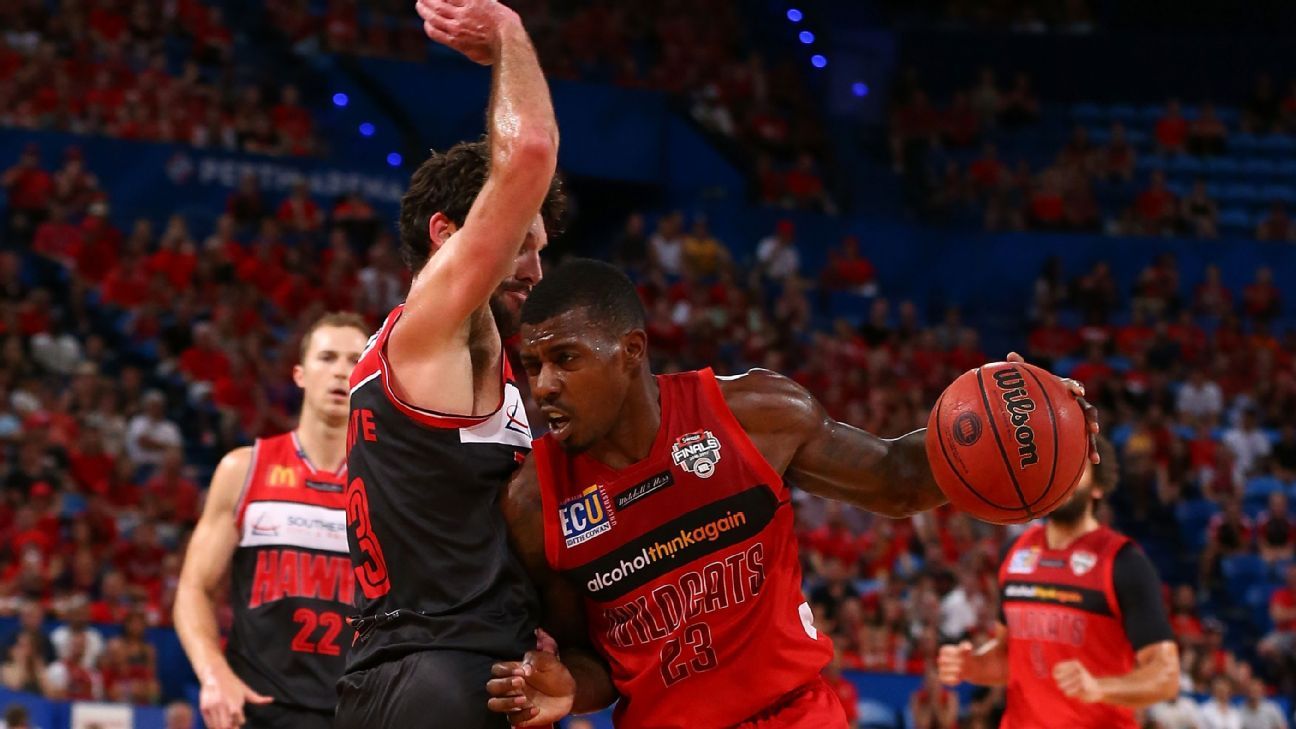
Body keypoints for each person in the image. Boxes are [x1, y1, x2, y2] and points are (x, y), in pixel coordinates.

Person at [484, 259, 1098, 727]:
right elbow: (592, 662)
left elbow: (897, 477)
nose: (544, 386)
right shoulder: (535, 503)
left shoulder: (749, 414)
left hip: (794, 715)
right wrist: (565, 685)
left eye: (565, 359)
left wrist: (1028, 431)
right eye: (533, 366)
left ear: (631, 352)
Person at [335, 0, 563, 726]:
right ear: (447, 234)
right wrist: (507, 34)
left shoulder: (458, 353)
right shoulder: (436, 324)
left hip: (401, 671)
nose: (535, 267)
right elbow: (527, 152)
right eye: (520, 243)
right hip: (448, 675)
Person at [174, 312, 368, 729]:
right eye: (327, 357)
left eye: (355, 360)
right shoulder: (244, 469)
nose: (340, 371)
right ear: (300, 374)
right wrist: (213, 673)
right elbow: (194, 588)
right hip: (257, 706)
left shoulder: (388, 484)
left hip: (358, 708)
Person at [936, 436, 1180, 728]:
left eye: (1077, 468)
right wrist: (972, 664)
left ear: (1098, 486)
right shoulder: (1015, 553)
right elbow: (1008, 655)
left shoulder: (1124, 563)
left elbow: (1166, 675)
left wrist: (1100, 688)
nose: (1063, 478)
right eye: (1058, 467)